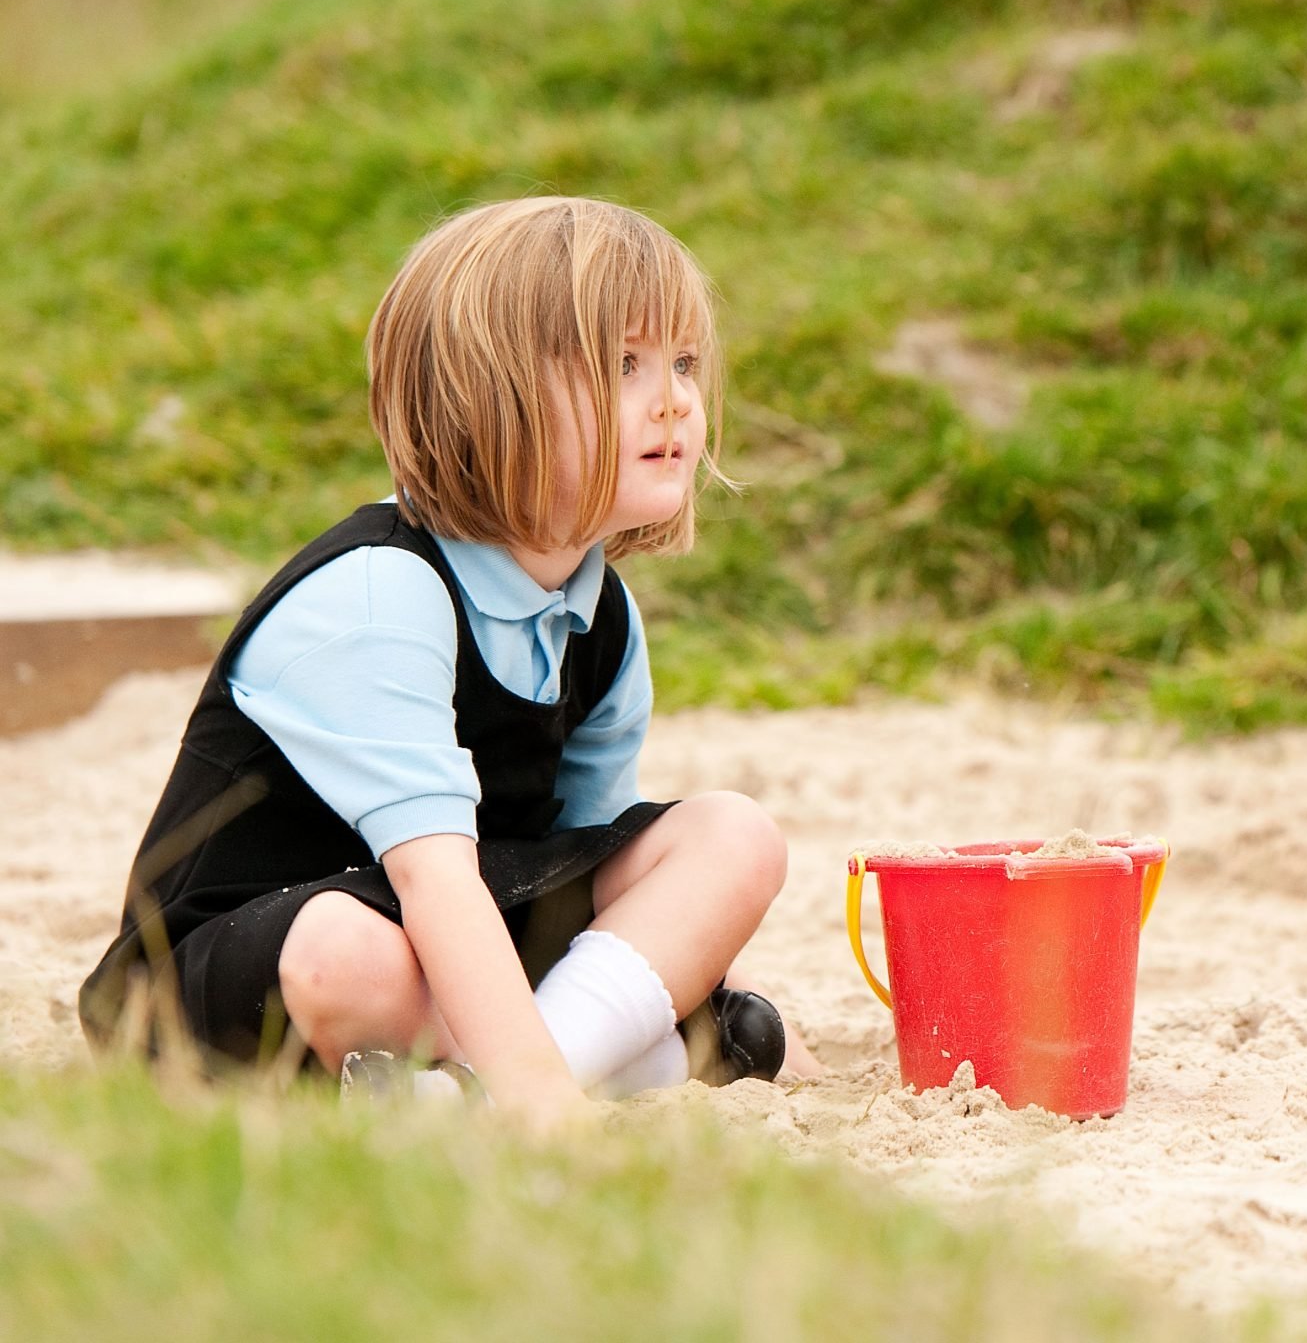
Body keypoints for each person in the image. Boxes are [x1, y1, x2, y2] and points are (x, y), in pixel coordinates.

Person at [82, 196, 810, 1124]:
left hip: (461, 945)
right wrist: (556, 1100)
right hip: (246, 966)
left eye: (683, 363)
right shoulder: (382, 593)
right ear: (487, 397)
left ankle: (467, 1093)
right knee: (351, 951)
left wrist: (708, 960)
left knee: (733, 835)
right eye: (623, 365)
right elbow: (432, 877)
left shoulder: (602, 615)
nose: (672, 397)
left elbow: (581, 864)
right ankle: (572, 1074)